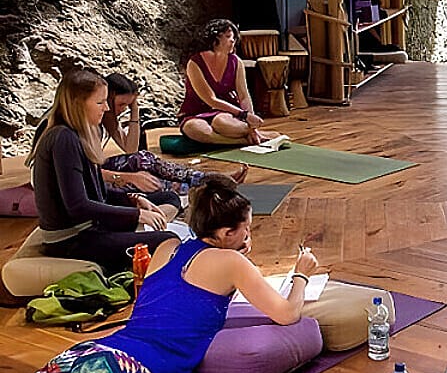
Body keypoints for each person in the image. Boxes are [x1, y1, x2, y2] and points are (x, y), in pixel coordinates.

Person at [0, 174, 320, 373]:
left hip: (90, 351)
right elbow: (287, 314)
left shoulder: (167, 248)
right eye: (246, 228)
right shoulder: (233, 263)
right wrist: (301, 275)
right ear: (224, 233)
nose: (250, 234)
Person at [28, 69, 179, 274]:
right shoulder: (63, 138)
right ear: (78, 104)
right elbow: (78, 206)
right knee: (168, 241)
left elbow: (98, 193)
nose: (106, 107)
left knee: (168, 197)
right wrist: (137, 215)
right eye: (100, 103)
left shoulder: (81, 133)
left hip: (90, 227)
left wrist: (134, 200)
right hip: (72, 239)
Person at [32, 73, 240, 196]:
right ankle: (205, 188)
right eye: (121, 104)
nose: (111, 108)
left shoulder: (104, 116)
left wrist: (134, 111)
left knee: (143, 158)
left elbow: (130, 149)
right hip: (68, 181)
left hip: (93, 172)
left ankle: (208, 180)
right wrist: (126, 177)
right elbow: (82, 171)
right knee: (144, 176)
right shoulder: (65, 128)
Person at [179, 19, 275, 146]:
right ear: (214, 39)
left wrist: (252, 125)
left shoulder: (236, 62)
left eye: (234, 38)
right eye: (228, 36)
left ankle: (248, 134)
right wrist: (243, 115)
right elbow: (211, 100)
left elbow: (244, 96)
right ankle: (241, 141)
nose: (233, 41)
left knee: (222, 123)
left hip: (225, 112)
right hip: (196, 112)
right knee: (194, 129)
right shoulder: (195, 63)